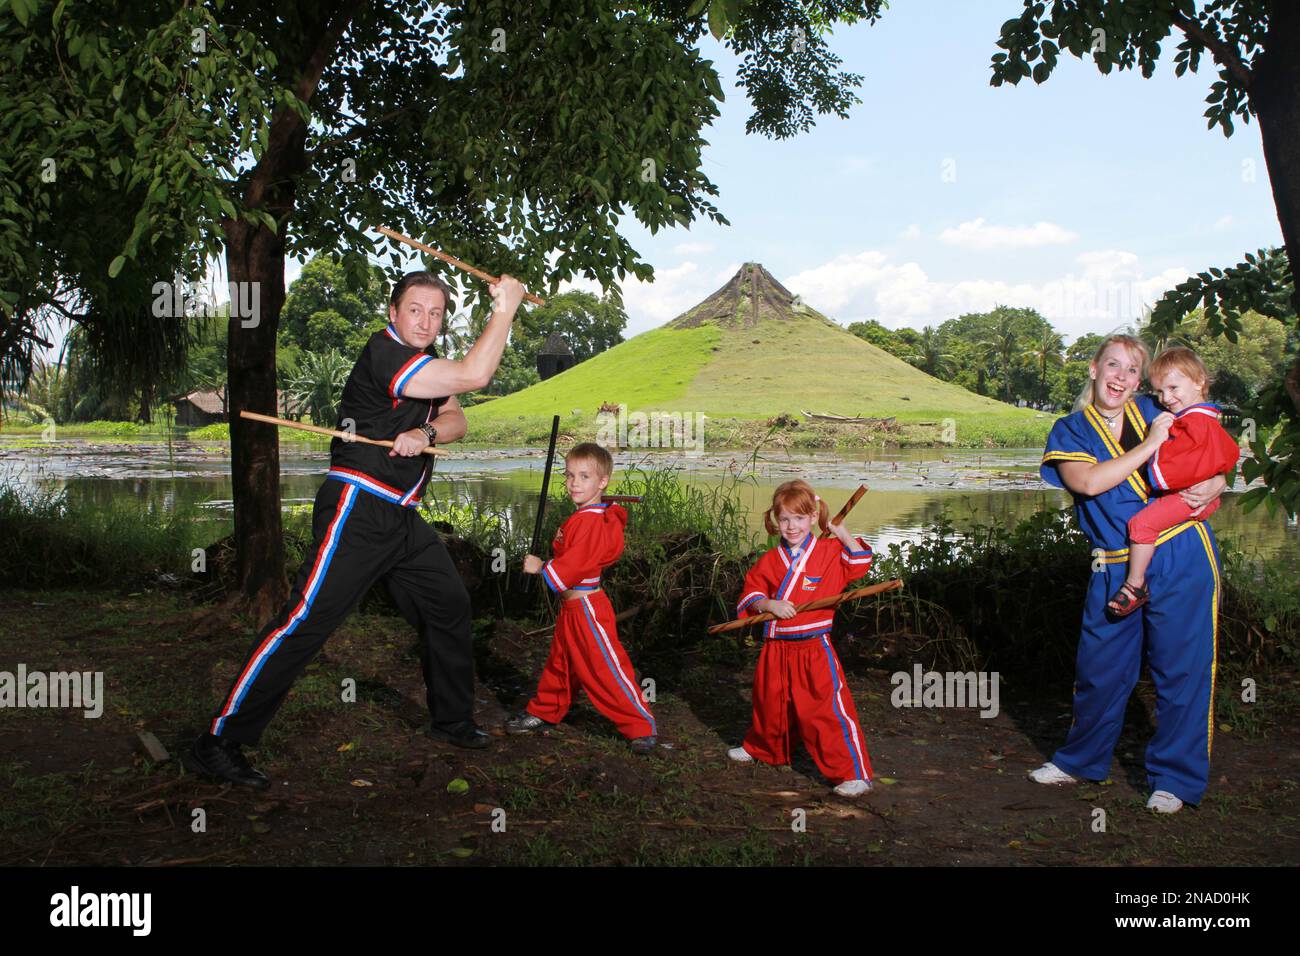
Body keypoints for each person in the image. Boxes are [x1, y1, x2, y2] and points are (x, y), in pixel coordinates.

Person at [185, 269, 526, 788]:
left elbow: (458, 416)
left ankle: (451, 719)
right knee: (304, 621)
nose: (425, 321)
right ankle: (218, 741)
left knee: (448, 603)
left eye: (436, 313)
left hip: (401, 517)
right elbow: (475, 376)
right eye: (415, 309)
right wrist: (505, 308)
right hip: (358, 508)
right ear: (393, 313)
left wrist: (425, 429)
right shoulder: (386, 353)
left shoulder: (426, 365)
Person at [1032, 334, 1226, 813]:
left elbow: (1214, 447)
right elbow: (1091, 482)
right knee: (1100, 670)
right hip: (1113, 564)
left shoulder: (1164, 409)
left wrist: (1221, 478)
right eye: (1112, 365)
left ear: (1142, 380)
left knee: (1181, 671)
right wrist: (1153, 444)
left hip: (1182, 552)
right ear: (1095, 369)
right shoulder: (1071, 430)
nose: (1121, 377)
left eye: (1132, 370)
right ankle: (1081, 760)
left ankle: (1175, 781)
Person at [728, 480, 875, 797]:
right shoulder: (770, 560)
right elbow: (752, 592)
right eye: (784, 519)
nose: (791, 526)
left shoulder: (829, 552)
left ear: (812, 518)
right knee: (770, 702)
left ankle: (852, 773)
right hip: (777, 646)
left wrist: (842, 532)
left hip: (813, 647)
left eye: (798, 518)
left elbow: (861, 564)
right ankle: (764, 749)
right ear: (775, 520)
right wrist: (768, 604)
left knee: (823, 709)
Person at [508, 443, 657, 754]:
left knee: (606, 666)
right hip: (572, 607)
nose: (574, 483)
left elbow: (575, 566)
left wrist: (542, 567)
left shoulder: (590, 521)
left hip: (588, 607)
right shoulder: (586, 515)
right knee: (561, 663)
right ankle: (544, 711)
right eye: (569, 475)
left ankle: (640, 725)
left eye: (585, 476)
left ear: (602, 482)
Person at [1106, 346, 1240, 616]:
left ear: (1199, 381)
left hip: (1188, 496)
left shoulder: (1196, 422)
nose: (1166, 398)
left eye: (1173, 388)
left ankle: (1135, 584)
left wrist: (1215, 479)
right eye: (1160, 391)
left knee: (1140, 524)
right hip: (1194, 496)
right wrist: (1218, 478)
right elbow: (1224, 453)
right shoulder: (1200, 417)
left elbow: (1205, 457)